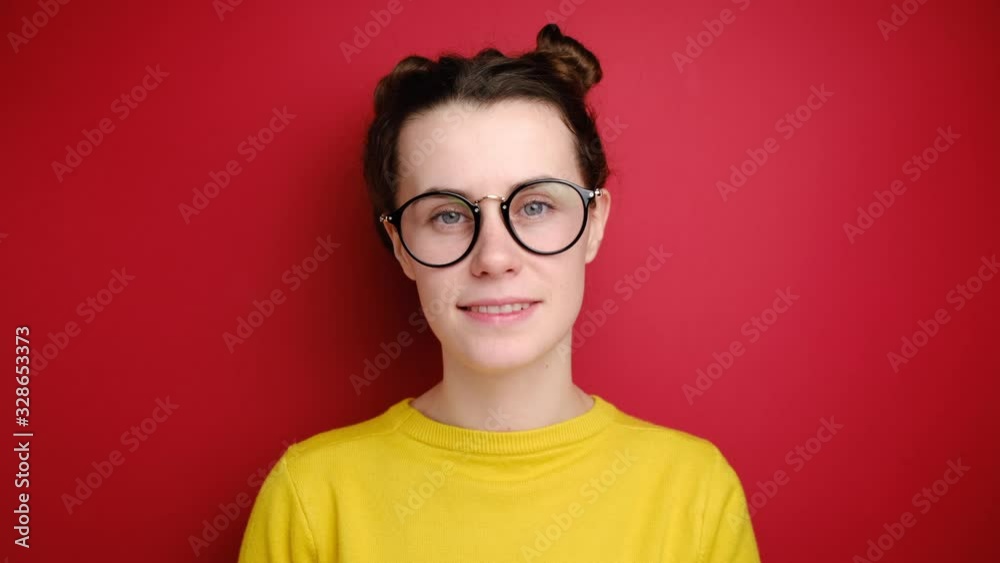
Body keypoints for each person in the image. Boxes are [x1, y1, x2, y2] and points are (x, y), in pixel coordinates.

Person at [237, 23, 761, 563]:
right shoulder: (313, 496)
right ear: (399, 244)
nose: (493, 258)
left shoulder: (694, 493)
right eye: (447, 215)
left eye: (535, 206)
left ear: (594, 223)